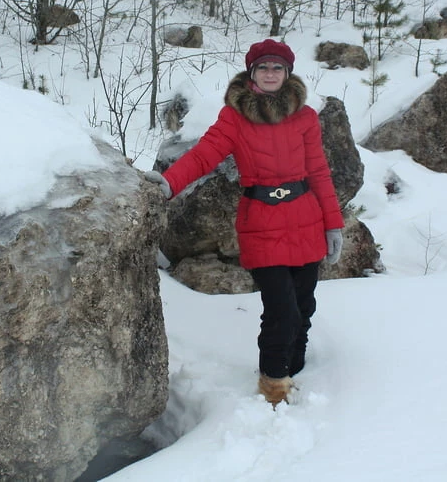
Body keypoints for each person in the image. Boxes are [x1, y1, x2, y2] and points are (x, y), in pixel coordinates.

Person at [145, 38, 345, 407]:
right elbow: (204, 156)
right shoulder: (234, 118)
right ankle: (273, 385)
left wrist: (333, 224)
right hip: (262, 223)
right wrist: (170, 182)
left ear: (288, 73)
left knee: (303, 307)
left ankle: (295, 368)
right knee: (281, 310)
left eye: (278, 68)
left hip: (305, 218)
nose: (271, 74)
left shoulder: (305, 117)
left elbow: (318, 170)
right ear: (252, 73)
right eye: (264, 68)